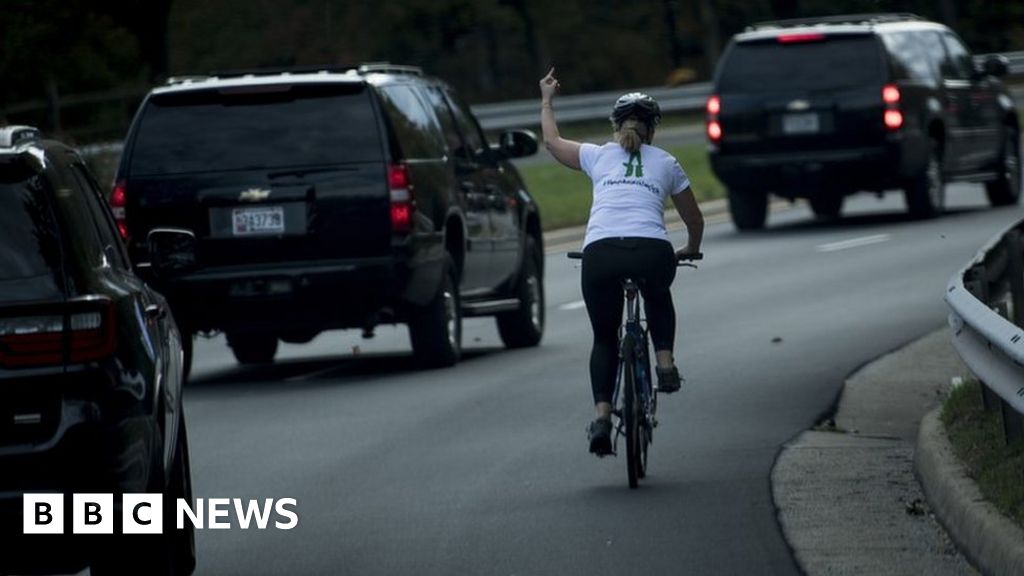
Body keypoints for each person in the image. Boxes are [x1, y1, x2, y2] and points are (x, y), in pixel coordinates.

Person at [539, 68, 705, 456]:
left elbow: (551, 142)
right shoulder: (667, 161)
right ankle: (664, 362)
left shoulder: (597, 155)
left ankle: (601, 417)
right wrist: (691, 246)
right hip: (651, 250)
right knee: (658, 291)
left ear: (616, 126)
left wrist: (547, 99)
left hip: (600, 253)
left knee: (603, 337)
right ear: (653, 129)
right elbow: (693, 218)